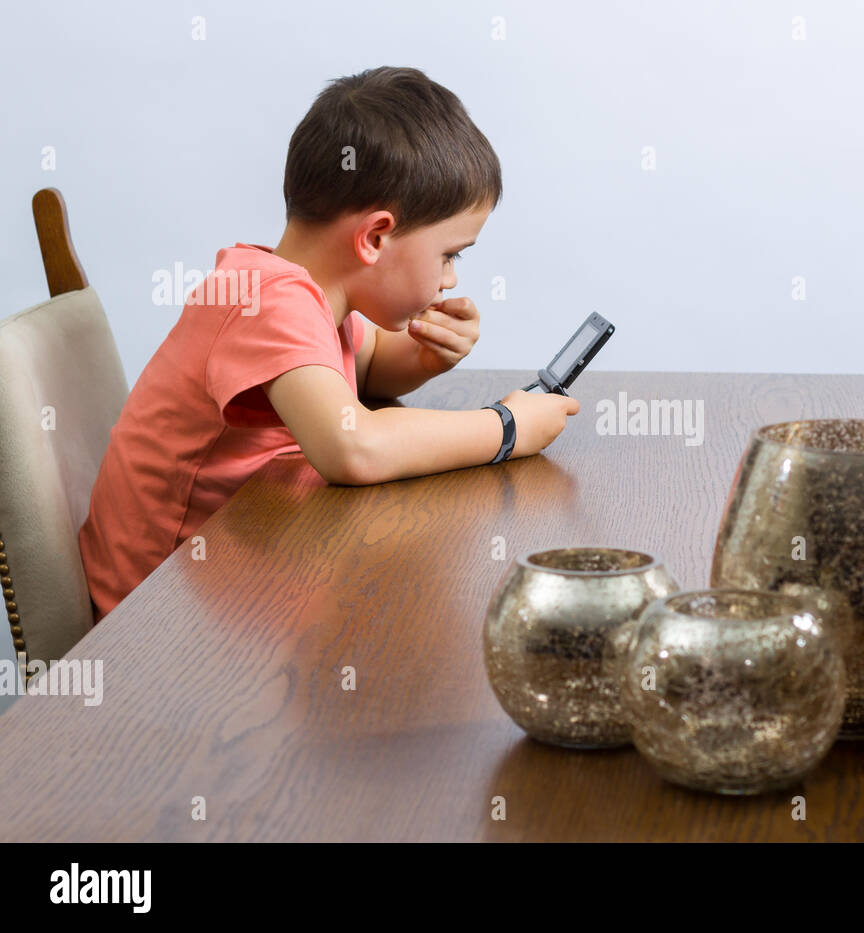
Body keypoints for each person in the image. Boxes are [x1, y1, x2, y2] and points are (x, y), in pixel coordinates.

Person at [77, 66, 578, 622]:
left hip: (221, 578)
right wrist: (505, 427)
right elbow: (352, 446)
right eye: (450, 254)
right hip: (154, 621)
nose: (451, 278)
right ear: (375, 237)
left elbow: (366, 365)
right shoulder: (267, 301)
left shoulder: (305, 292)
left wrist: (423, 357)